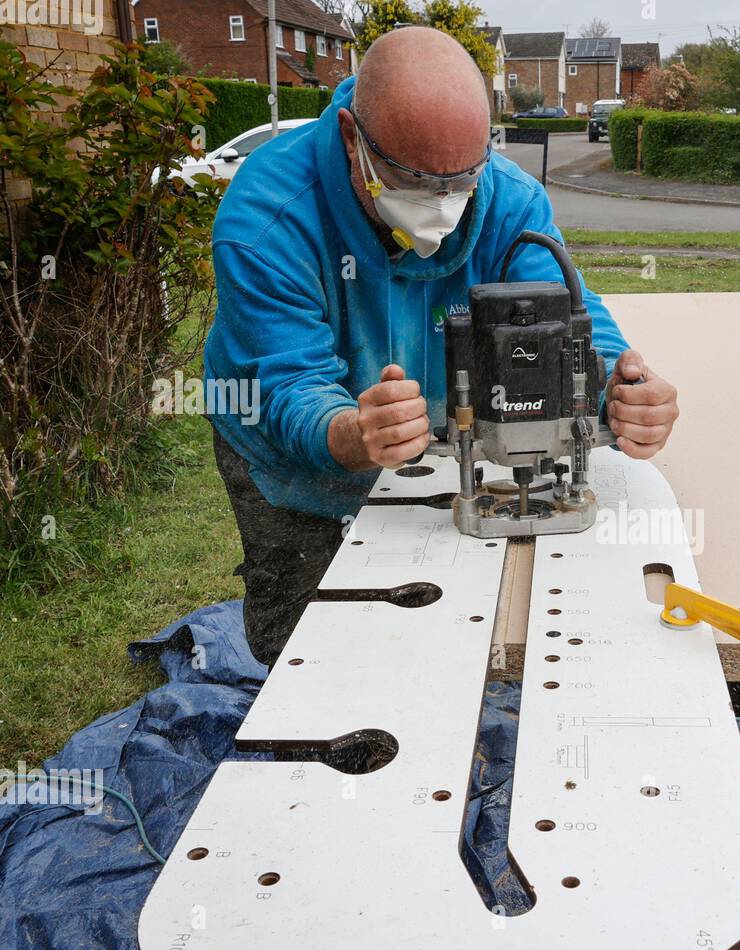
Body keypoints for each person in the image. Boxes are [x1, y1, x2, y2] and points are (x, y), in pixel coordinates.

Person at [204, 27, 679, 666]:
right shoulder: (265, 220)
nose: (443, 204)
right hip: (289, 459)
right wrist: (346, 432)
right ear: (352, 138)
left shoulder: (510, 200)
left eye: (463, 179)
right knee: (306, 642)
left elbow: (565, 312)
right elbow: (287, 384)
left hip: (419, 428)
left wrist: (617, 390)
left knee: (440, 628)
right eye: (418, 181)